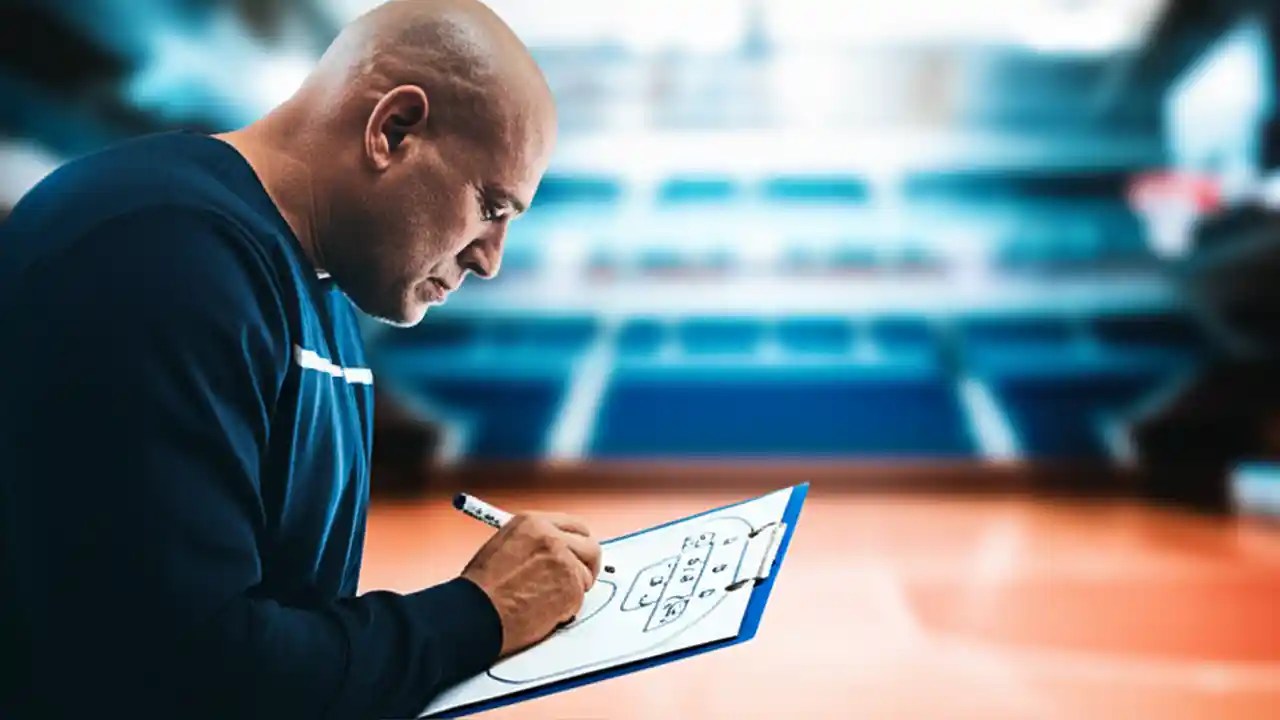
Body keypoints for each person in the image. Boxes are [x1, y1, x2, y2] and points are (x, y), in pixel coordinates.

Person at [0, 1, 601, 718]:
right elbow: (194, 673)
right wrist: (477, 615)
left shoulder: (313, 293)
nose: (489, 258)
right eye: (491, 207)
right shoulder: (161, 251)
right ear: (393, 130)